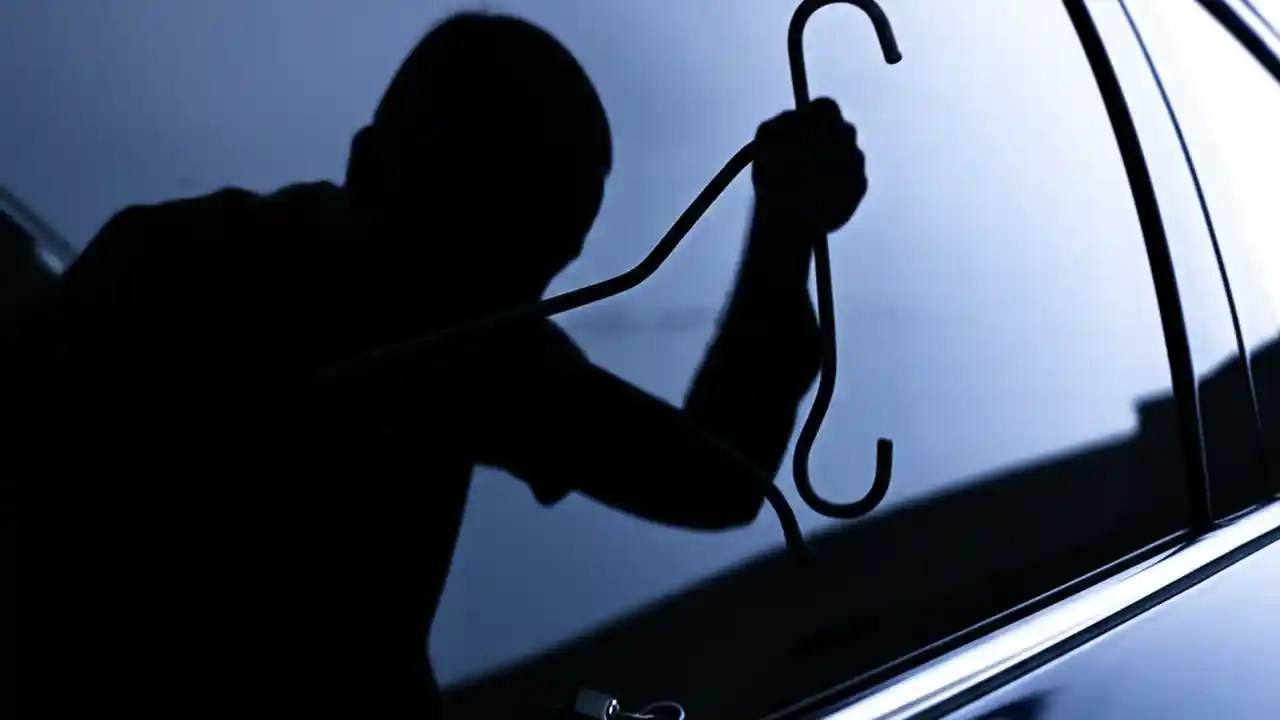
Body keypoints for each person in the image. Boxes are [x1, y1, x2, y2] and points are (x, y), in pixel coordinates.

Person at [8, 12, 867, 719]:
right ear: (372, 168)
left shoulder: (478, 344)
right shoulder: (166, 276)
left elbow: (710, 481)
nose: (520, 299)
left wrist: (785, 237)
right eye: (491, 244)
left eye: (543, 267)